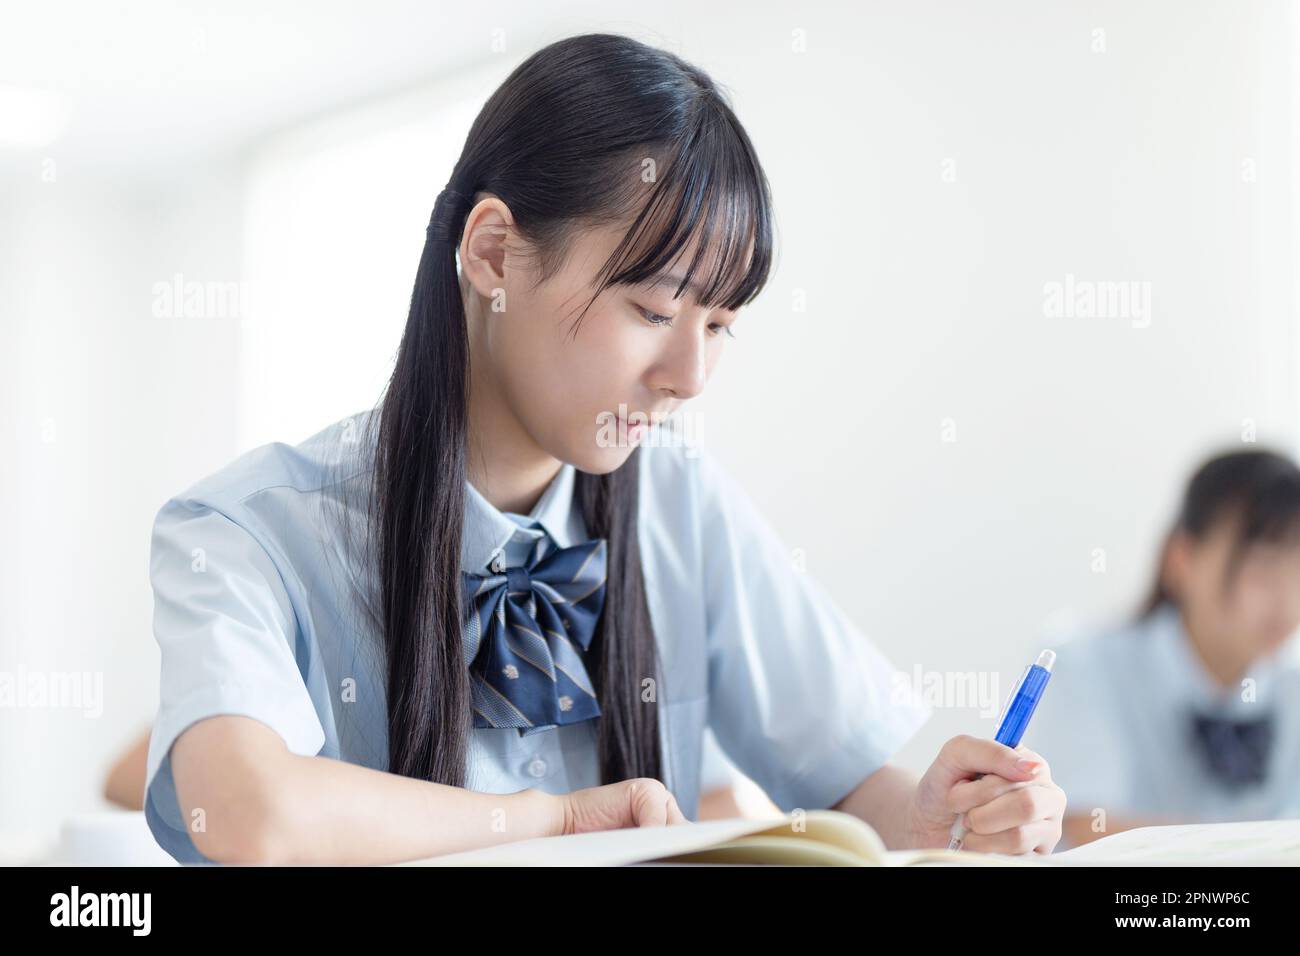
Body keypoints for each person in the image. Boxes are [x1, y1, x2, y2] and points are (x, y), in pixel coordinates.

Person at [143, 32, 1064, 865]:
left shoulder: (684, 510)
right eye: (655, 311)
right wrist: (553, 821)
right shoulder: (243, 532)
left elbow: (854, 795)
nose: (690, 377)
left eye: (720, 325)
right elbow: (250, 815)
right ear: (494, 254)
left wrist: (950, 824)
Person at [1032, 449, 1300, 849]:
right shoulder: (1084, 665)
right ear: (1182, 559)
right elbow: (1088, 829)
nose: (1286, 599)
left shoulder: (1290, 685)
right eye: (1262, 567)